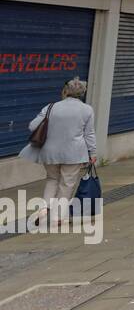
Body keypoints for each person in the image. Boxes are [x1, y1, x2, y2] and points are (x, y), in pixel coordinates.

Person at [20, 77, 97, 229]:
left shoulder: (50, 107)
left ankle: (43, 209)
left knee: (52, 180)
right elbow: (89, 134)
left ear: (66, 91)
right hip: (74, 153)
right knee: (67, 183)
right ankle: (58, 217)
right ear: (82, 93)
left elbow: (32, 126)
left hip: (50, 152)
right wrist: (92, 152)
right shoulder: (87, 110)